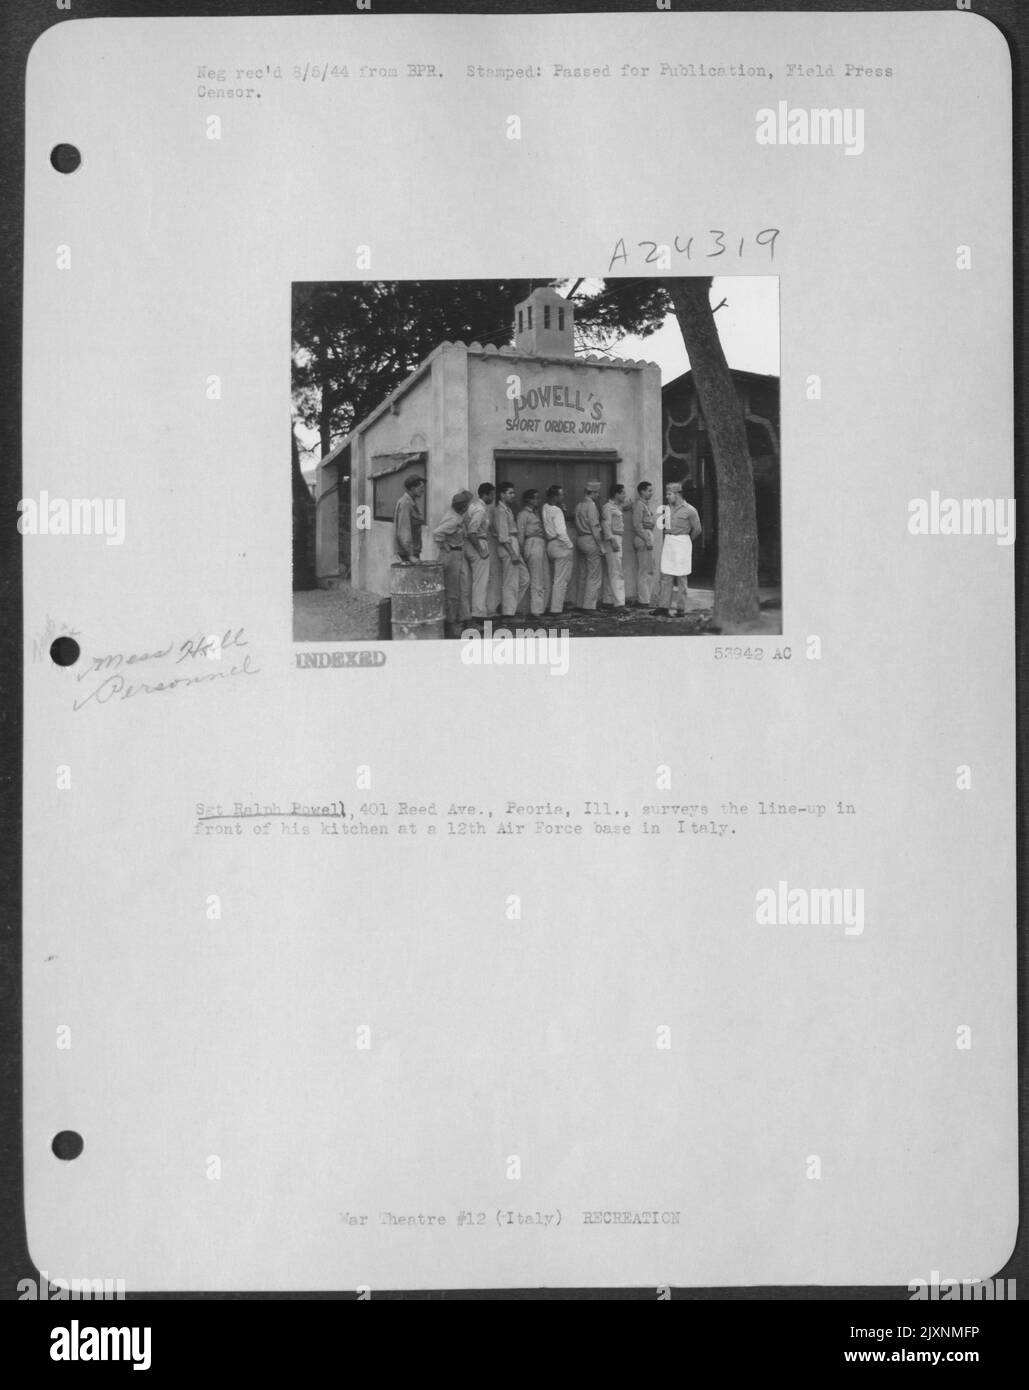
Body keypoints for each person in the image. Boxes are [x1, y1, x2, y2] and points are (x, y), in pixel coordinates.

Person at [654, 482, 702, 617]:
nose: (667, 496)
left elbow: (697, 529)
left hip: (682, 541)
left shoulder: (690, 510)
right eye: (666, 494)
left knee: (681, 576)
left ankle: (681, 609)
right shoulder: (666, 509)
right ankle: (663, 607)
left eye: (669, 494)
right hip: (669, 541)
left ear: (677, 494)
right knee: (666, 574)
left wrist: (686, 541)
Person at [432, 490, 472, 634]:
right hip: (452, 555)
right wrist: (444, 544)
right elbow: (437, 533)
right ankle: (450, 623)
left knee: (461, 588)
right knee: (453, 592)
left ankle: (459, 619)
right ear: (462, 507)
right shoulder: (454, 519)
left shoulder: (456, 516)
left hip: (457, 553)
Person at [493, 481, 530, 617]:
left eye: (513, 493)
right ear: (502, 495)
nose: (513, 495)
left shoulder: (507, 509)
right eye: (510, 493)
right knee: (510, 581)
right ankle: (508, 613)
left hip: (512, 543)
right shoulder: (500, 511)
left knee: (524, 579)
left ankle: (508, 606)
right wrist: (512, 553)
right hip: (508, 546)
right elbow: (503, 536)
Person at [462, 483, 494, 620]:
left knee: (473, 580)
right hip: (477, 543)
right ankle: (478, 613)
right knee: (481, 581)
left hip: (468, 544)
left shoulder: (473, 506)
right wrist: (481, 550)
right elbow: (472, 532)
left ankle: (473, 612)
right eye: (491, 494)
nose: (493, 497)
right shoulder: (480, 510)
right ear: (485, 495)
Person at [542, 484, 574, 616]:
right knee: (562, 579)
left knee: (557, 578)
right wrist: (569, 544)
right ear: (555, 496)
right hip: (560, 543)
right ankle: (556, 609)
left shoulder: (545, 507)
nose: (563, 496)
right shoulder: (557, 511)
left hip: (550, 544)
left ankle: (556, 606)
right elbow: (561, 531)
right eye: (561, 495)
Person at [517, 489, 549, 617]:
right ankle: (536, 611)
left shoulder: (535, 514)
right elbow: (520, 534)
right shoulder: (523, 514)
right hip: (532, 543)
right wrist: (521, 551)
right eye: (535, 498)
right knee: (536, 578)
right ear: (528, 500)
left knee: (543, 577)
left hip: (540, 544)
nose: (538, 501)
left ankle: (540, 608)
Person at [573, 480, 604, 612]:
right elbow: (594, 528)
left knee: (583, 573)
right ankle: (589, 606)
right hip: (590, 540)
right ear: (592, 492)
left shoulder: (579, 505)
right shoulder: (591, 506)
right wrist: (601, 545)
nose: (598, 495)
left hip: (580, 539)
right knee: (594, 575)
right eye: (597, 492)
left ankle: (580, 603)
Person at [600, 482, 627, 610]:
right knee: (616, 571)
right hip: (613, 538)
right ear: (616, 494)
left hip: (616, 537)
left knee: (610, 570)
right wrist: (612, 540)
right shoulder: (608, 507)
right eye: (623, 493)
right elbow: (606, 525)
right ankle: (619, 603)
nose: (625, 495)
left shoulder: (615, 506)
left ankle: (608, 599)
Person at [631, 480, 657, 607]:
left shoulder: (644, 504)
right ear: (642, 491)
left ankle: (646, 598)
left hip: (647, 536)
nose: (651, 493)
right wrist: (647, 539)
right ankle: (643, 600)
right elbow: (637, 525)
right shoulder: (639, 505)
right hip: (643, 538)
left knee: (649, 569)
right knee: (644, 570)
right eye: (649, 490)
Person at [393, 475, 425, 564]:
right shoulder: (405, 503)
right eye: (421, 487)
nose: (423, 490)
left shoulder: (412, 502)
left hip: (412, 552)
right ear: (412, 488)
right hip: (408, 554)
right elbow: (404, 531)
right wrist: (410, 555)